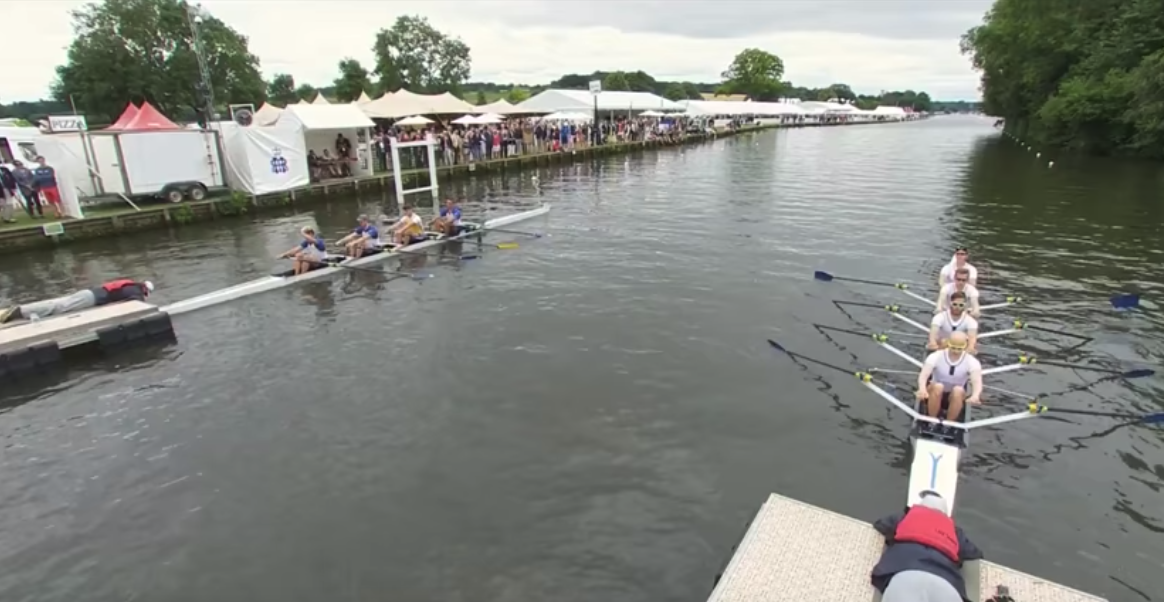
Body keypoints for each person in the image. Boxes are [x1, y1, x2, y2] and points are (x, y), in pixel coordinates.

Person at [872, 491, 984, 602]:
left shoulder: (905, 516)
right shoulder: (955, 531)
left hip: (904, 574)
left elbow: (881, 524)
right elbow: (974, 553)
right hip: (947, 582)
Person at [0, 279, 155, 324]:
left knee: (60, 306)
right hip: (91, 298)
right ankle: (20, 311)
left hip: (89, 294)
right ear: (145, 289)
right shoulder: (135, 290)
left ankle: (21, 311)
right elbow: (136, 301)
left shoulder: (130, 284)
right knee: (59, 308)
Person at [916, 332, 983, 421]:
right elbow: (924, 375)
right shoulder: (936, 356)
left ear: (965, 346)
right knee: (938, 387)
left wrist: (975, 395)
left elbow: (977, 381)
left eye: (959, 349)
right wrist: (922, 389)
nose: (956, 351)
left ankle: (949, 423)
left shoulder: (972, 361)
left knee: (958, 390)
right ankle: (931, 420)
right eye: (953, 348)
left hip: (955, 397)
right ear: (948, 344)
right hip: (934, 393)